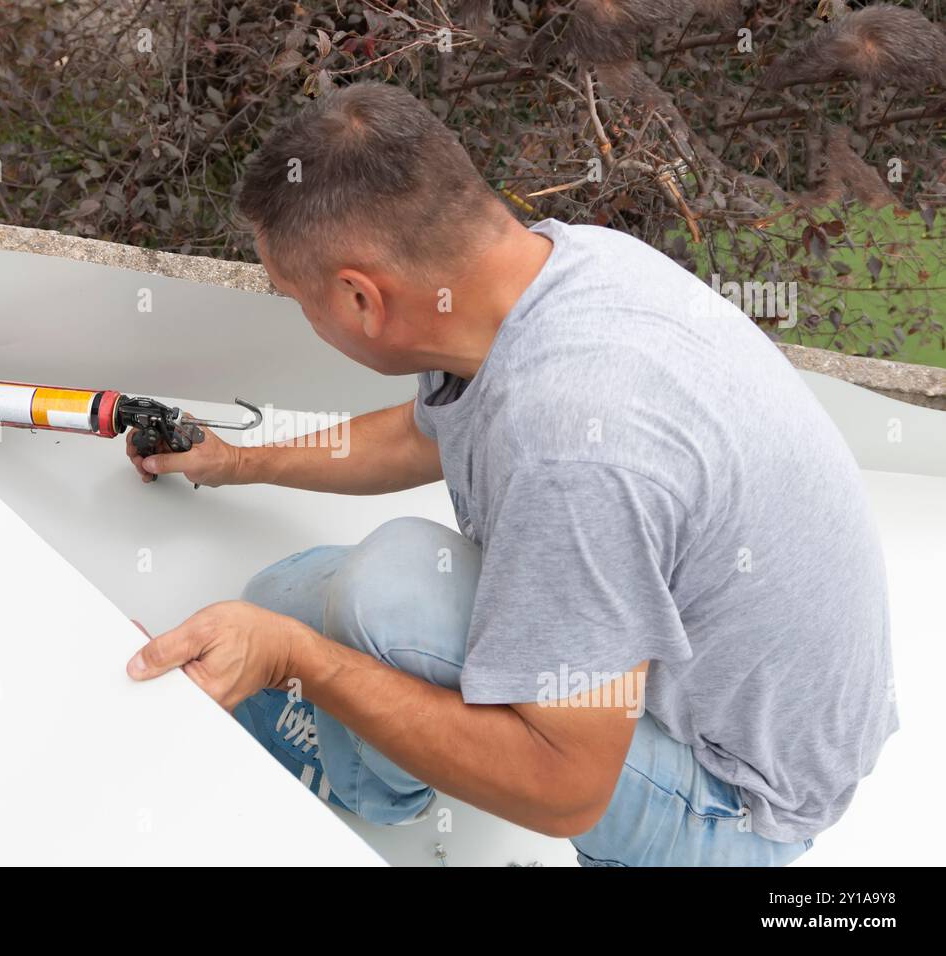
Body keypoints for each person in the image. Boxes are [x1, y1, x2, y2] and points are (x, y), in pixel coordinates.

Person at [122, 82, 896, 866]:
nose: (301, 314)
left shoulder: (571, 443)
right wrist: (236, 461)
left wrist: (300, 660)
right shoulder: (561, 266)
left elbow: (567, 788)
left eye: (296, 298)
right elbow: (429, 432)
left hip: (734, 803)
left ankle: (372, 795)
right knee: (287, 593)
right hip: (745, 695)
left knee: (368, 598)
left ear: (360, 298)